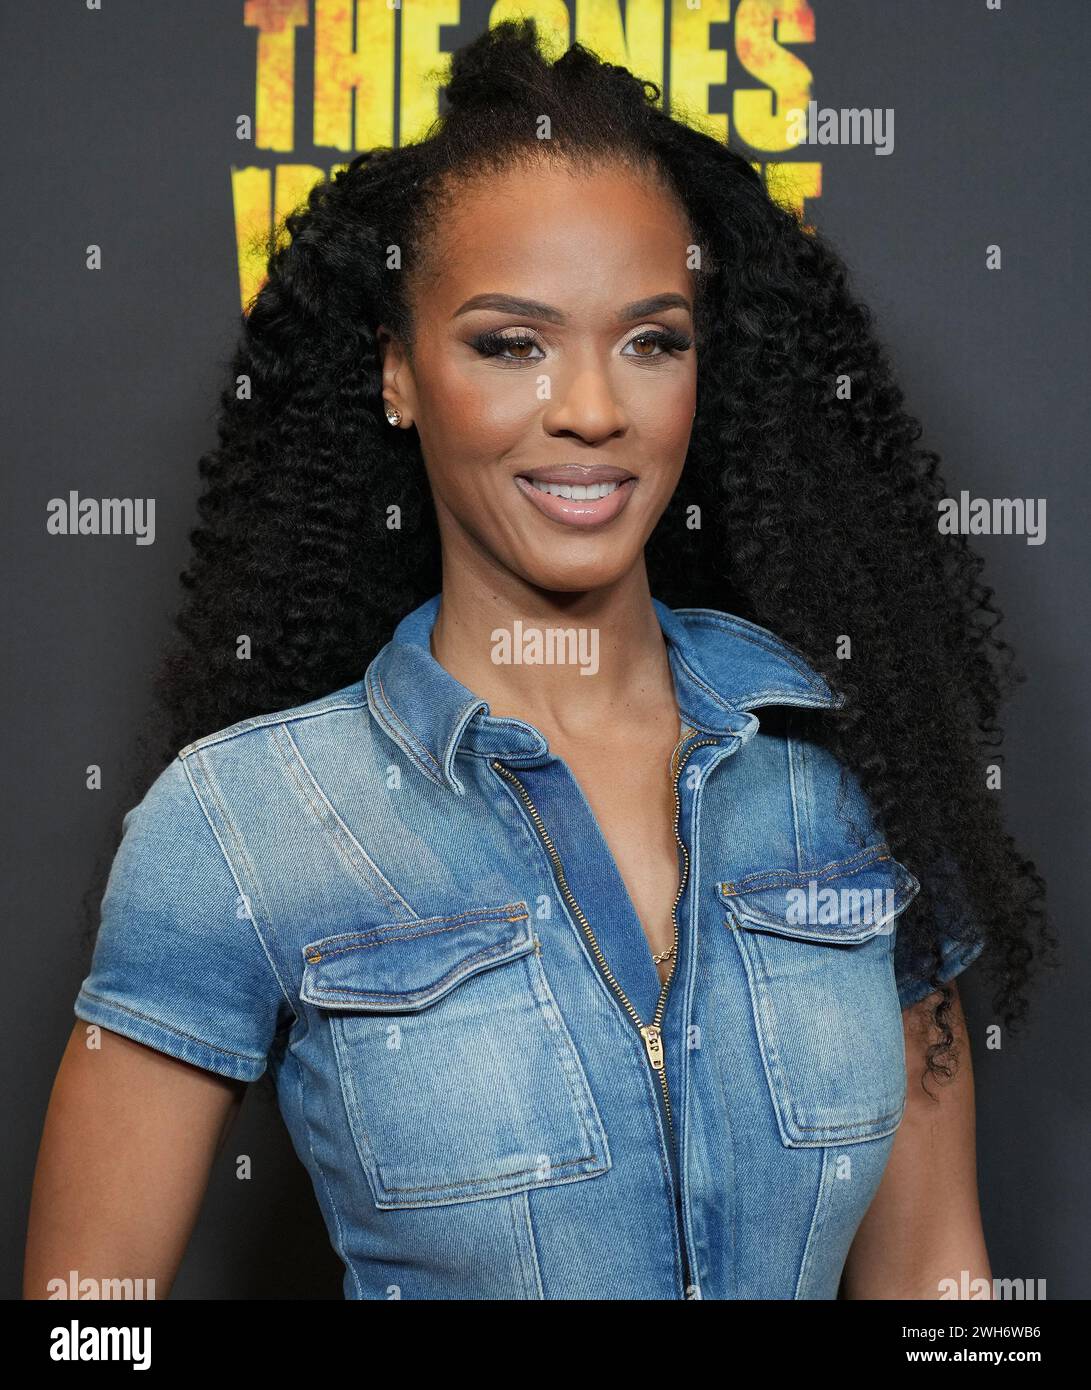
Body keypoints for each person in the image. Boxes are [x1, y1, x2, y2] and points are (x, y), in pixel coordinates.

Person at [25, 20, 1049, 1301]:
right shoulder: (241, 826)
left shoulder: (856, 767)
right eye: (509, 342)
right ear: (399, 373)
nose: (591, 408)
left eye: (650, 339)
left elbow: (937, 1291)